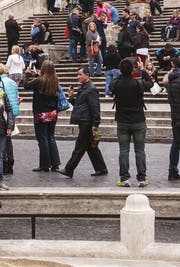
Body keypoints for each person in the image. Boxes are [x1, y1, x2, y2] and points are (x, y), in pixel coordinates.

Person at [56, 66, 107, 179]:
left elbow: (95, 107)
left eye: (80, 74)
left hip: (87, 122)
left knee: (80, 146)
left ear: (87, 75)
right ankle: (101, 168)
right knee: (91, 147)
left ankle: (69, 169)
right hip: (83, 120)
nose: (78, 77)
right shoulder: (83, 88)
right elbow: (79, 105)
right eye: (77, 74)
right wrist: (71, 97)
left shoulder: (91, 89)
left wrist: (95, 124)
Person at [111, 59, 148, 187]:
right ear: (132, 70)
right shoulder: (138, 83)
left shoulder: (116, 84)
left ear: (120, 70)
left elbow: (111, 86)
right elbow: (150, 83)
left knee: (123, 150)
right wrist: (143, 70)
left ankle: (124, 178)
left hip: (122, 121)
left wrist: (121, 74)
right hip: (138, 120)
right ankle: (142, 178)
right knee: (140, 151)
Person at [23, 60, 62, 172]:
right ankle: (55, 163)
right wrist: (36, 75)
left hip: (41, 113)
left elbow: (26, 85)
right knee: (51, 137)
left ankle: (45, 164)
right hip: (53, 112)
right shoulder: (55, 80)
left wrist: (27, 74)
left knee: (42, 138)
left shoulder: (39, 81)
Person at [0, 63, 20, 175]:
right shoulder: (13, 82)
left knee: (3, 139)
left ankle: (5, 162)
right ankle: (10, 161)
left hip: (4, 112)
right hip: (13, 112)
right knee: (8, 138)